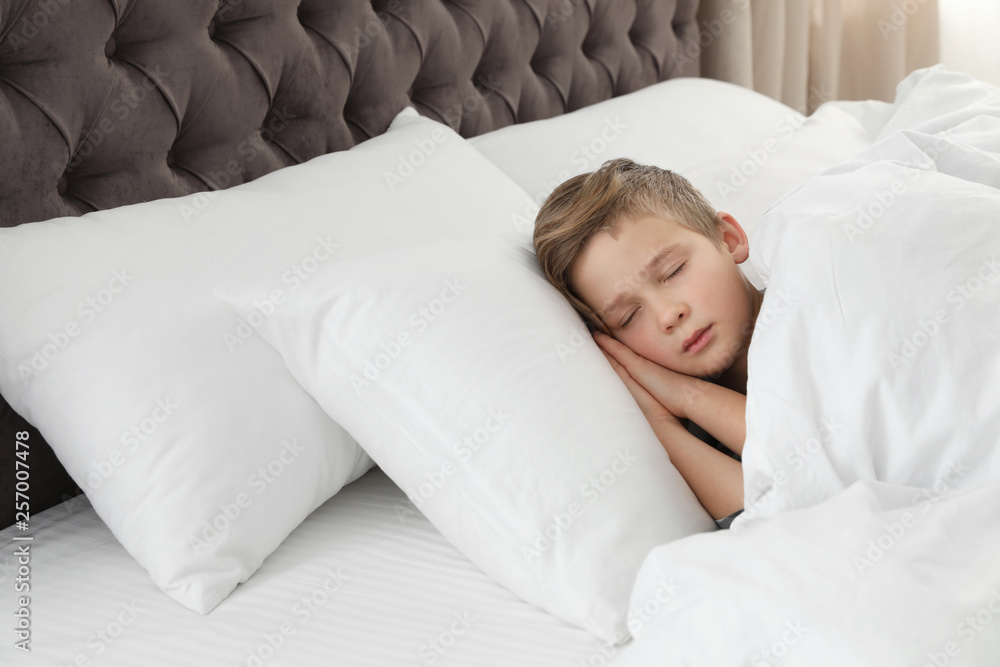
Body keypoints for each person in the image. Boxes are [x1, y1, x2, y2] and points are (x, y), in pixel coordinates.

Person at [532, 157, 765, 528]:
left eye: (673, 271)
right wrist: (662, 422)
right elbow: (781, 518)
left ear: (728, 239)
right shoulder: (701, 433)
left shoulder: (818, 304)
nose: (667, 315)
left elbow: (816, 453)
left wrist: (685, 396)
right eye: (628, 317)